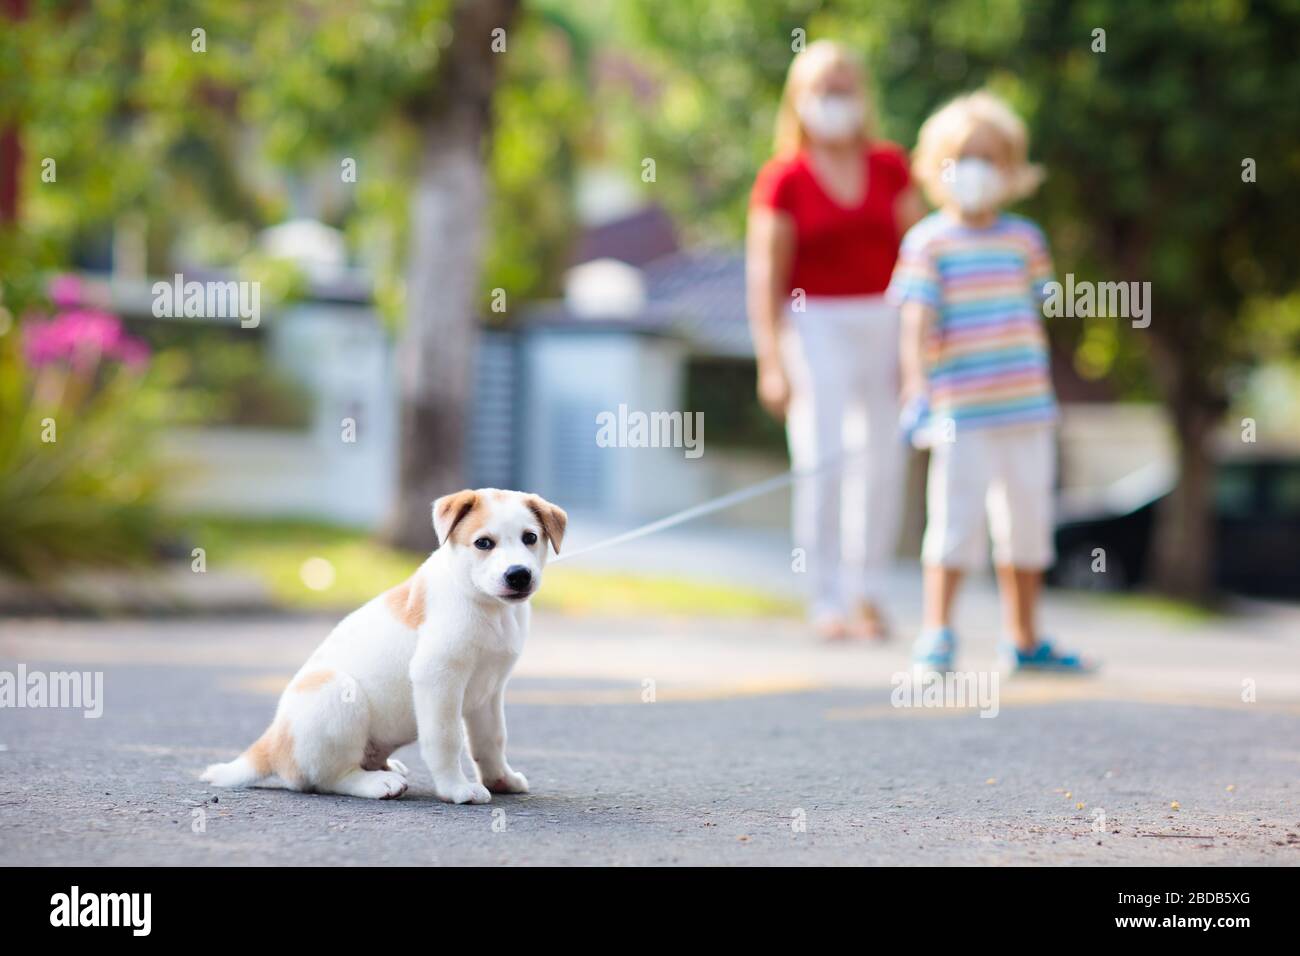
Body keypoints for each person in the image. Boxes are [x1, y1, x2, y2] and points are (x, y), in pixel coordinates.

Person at [889, 90, 1091, 673]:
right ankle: (937, 634)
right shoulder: (928, 242)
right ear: (936, 169)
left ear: (1012, 171)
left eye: (989, 158)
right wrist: (914, 386)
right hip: (959, 413)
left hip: (1026, 410)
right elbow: (915, 322)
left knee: (1027, 528)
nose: (975, 170)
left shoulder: (1026, 240)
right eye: (962, 158)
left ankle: (1025, 638)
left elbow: (1046, 305)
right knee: (953, 526)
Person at [747, 41, 925, 642]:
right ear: (798, 99)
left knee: (881, 461)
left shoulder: (891, 167)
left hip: (887, 319)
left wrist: (923, 346)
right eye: (822, 89)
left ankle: (867, 591)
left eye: (844, 87)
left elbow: (921, 252)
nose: (834, 100)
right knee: (821, 457)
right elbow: (764, 278)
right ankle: (824, 597)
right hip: (813, 321)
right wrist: (772, 361)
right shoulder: (783, 179)